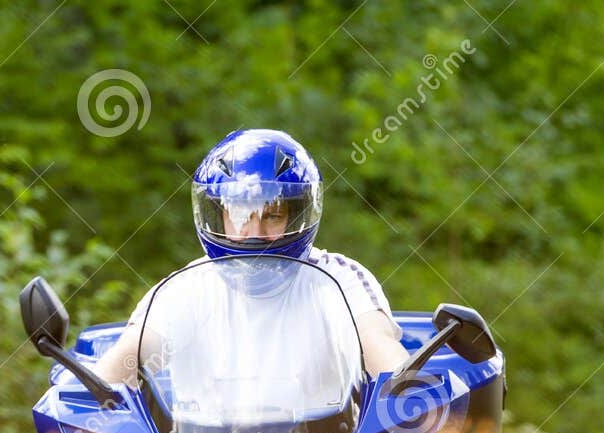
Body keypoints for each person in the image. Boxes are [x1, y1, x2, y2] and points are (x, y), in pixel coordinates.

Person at [97, 128, 410, 391]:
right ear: (218, 215)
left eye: (272, 215)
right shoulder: (184, 291)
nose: (254, 233)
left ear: (297, 215)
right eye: (239, 214)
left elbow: (379, 346)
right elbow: (127, 357)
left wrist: (410, 385)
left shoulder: (342, 280)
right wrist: (86, 393)